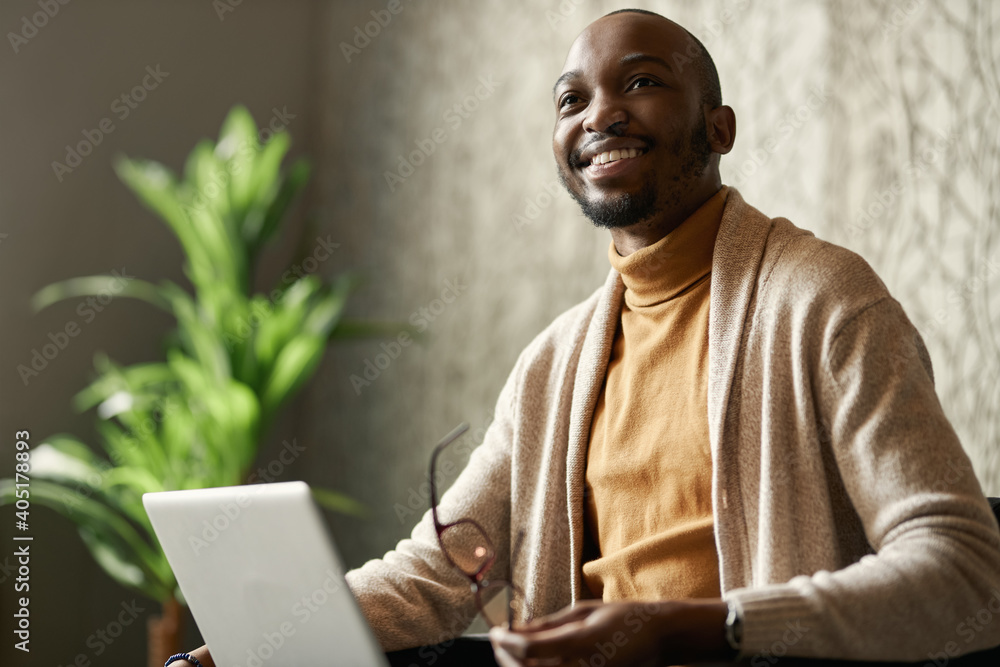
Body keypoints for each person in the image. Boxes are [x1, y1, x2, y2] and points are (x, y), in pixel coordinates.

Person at [173, 8, 1000, 667]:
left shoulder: (823, 299)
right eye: (572, 98)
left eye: (640, 83)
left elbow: (966, 572)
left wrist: (690, 629)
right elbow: (438, 569)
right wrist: (248, 646)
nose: (601, 112)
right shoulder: (555, 363)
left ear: (720, 128)